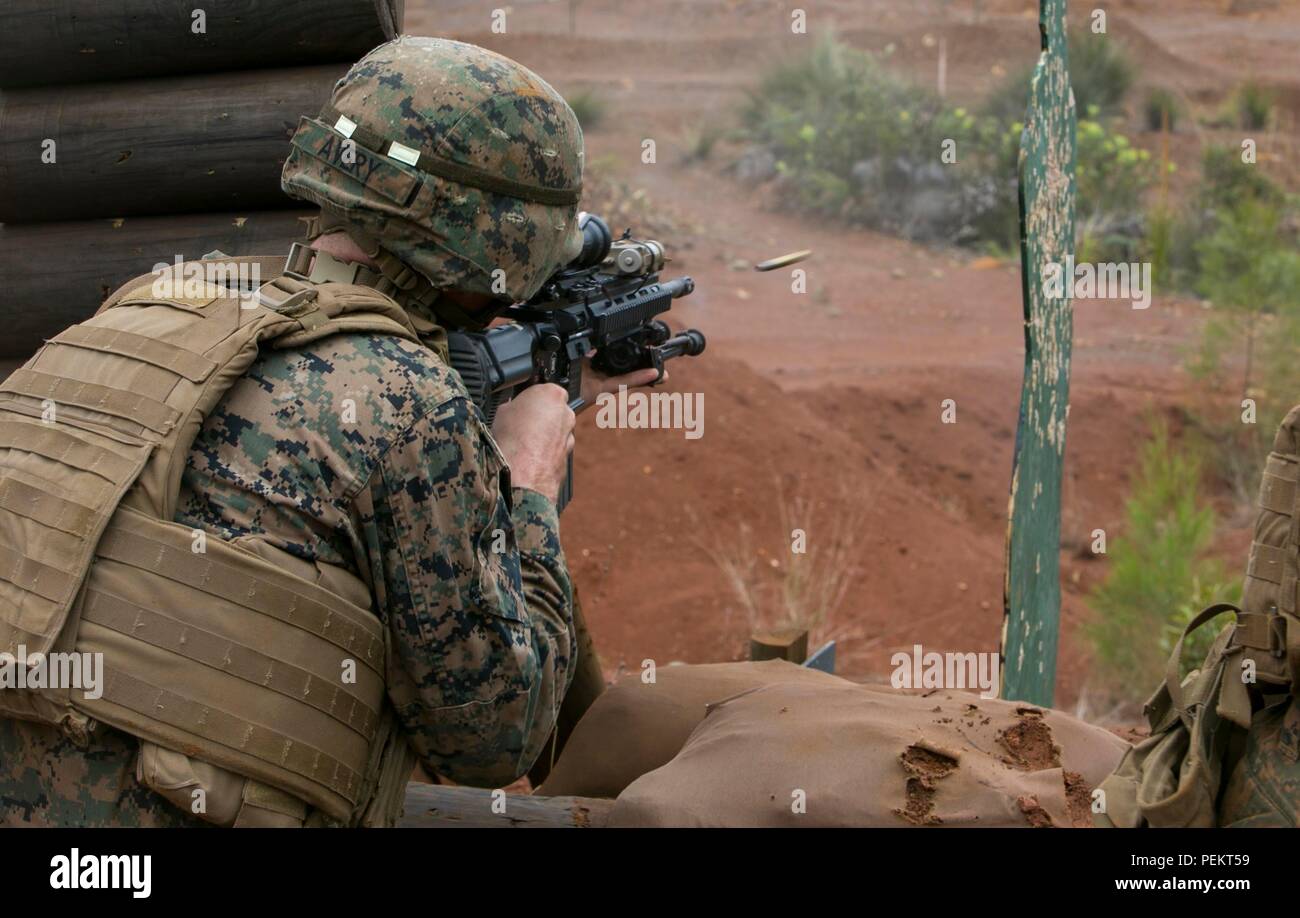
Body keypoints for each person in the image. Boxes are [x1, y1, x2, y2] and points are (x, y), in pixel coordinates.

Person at [0, 36, 656, 827]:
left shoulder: (150, 308)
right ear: (498, 238)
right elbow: (494, 738)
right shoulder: (408, 399)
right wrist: (528, 482)